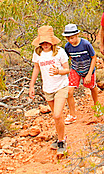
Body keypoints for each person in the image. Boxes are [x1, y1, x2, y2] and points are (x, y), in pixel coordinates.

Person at [28, 25, 71, 155]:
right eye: (43, 42)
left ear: (52, 41)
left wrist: (58, 71)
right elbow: (36, 68)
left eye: (47, 42)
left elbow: (67, 69)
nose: (45, 45)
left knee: (57, 114)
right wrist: (31, 85)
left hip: (61, 86)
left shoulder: (60, 52)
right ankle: (60, 138)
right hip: (48, 88)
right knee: (56, 117)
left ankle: (62, 140)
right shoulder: (38, 53)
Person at [62, 23, 99, 123]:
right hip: (75, 69)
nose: (70, 40)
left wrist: (89, 74)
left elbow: (93, 57)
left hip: (88, 69)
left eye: (72, 38)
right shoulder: (67, 46)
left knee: (92, 87)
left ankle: (97, 106)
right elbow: (68, 58)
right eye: (68, 38)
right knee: (69, 91)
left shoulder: (85, 44)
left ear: (77, 35)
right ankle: (72, 114)